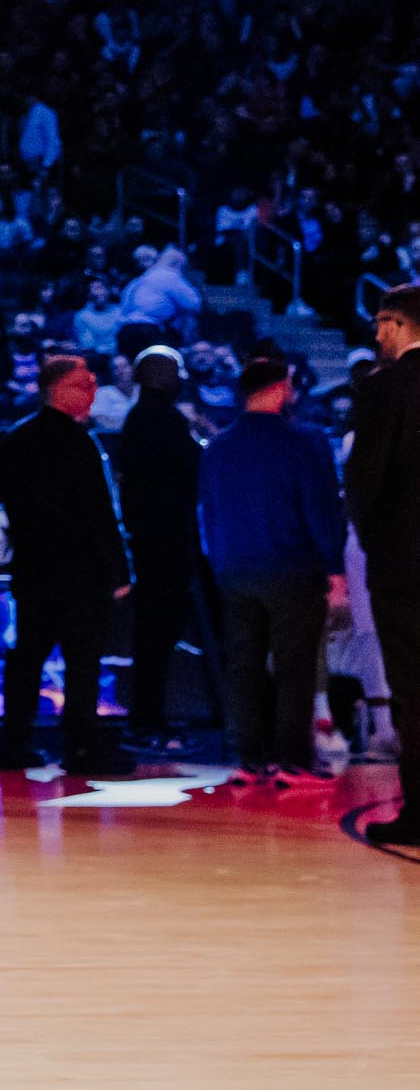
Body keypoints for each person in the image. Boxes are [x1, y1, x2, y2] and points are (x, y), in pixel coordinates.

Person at [199, 358, 344, 784]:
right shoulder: (304, 441)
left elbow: (207, 513)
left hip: (234, 569)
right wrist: (334, 568)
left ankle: (249, 758)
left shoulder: (218, 447)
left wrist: (219, 562)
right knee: (294, 666)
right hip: (291, 567)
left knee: (243, 664)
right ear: (282, 388)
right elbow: (319, 509)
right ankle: (294, 761)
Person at [0, 355, 135, 777]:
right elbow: (98, 514)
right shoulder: (79, 444)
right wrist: (119, 570)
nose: (93, 391)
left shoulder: (17, 440)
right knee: (82, 662)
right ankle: (81, 749)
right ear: (58, 389)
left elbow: (9, 501)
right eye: (84, 384)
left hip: (34, 569)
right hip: (79, 574)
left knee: (27, 659)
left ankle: (13, 747)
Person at [345, 290, 420, 843]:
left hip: (405, 564)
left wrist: (374, 543)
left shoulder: (383, 389)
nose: (375, 336)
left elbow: (364, 481)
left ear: (397, 325)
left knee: (414, 689)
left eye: (379, 324)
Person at [111, 346, 210, 747]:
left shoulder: (141, 419)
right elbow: (192, 470)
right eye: (176, 371)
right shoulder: (161, 420)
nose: (183, 377)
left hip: (153, 541)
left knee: (154, 635)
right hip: (164, 545)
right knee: (156, 635)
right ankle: (147, 722)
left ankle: (147, 720)